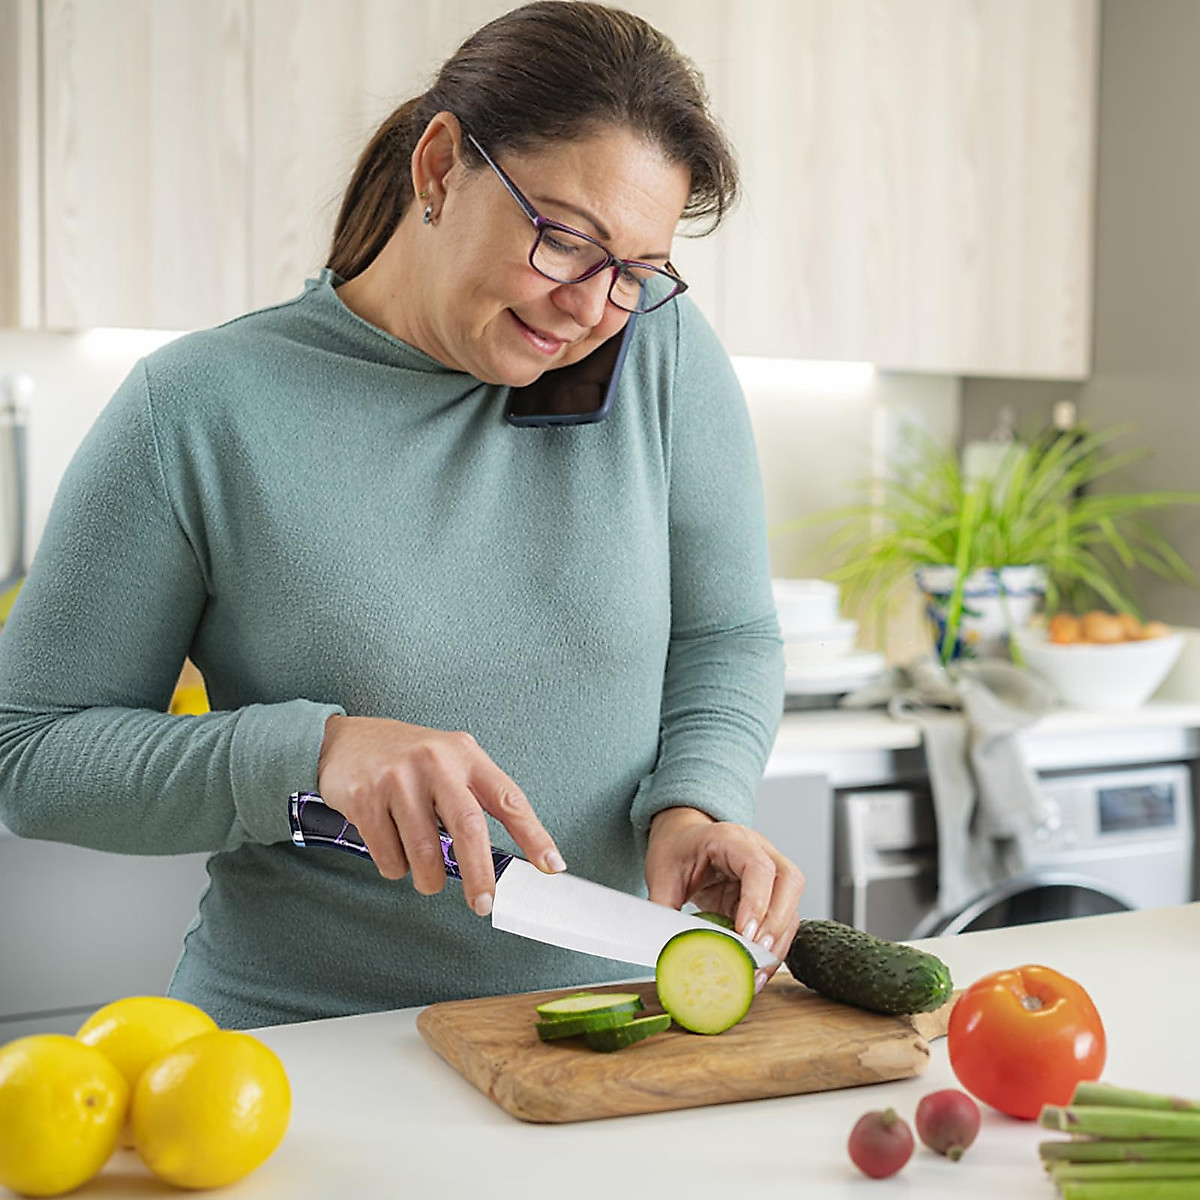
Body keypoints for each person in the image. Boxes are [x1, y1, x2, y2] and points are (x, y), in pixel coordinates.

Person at [0, 1, 803, 1029]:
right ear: (439, 168)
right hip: (305, 1049)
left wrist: (697, 802)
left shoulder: (659, 356)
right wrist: (316, 754)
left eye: (636, 272)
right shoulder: (198, 408)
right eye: (566, 241)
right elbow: (32, 755)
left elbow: (727, 635)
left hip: (606, 1031)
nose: (591, 308)